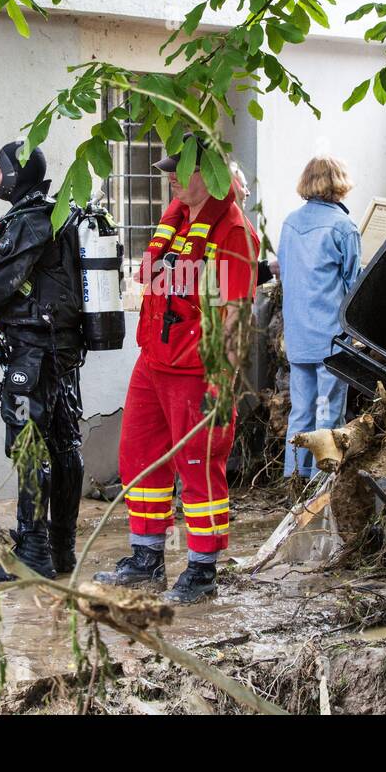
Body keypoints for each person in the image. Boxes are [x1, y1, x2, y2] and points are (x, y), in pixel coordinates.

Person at [94, 137, 259, 604]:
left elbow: (234, 316)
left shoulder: (233, 232)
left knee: (199, 465)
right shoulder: (178, 218)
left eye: (178, 169)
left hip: (197, 371)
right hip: (154, 362)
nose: (168, 176)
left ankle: (202, 570)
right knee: (138, 456)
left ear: (207, 174)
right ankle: (146, 559)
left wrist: (222, 385)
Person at [0, 141, 86, 581]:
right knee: (63, 442)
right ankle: (61, 550)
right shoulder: (58, 214)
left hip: (32, 352)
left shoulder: (29, 220)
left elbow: (2, 280)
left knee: (29, 445)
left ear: (14, 175)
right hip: (61, 351)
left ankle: (34, 552)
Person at [277, 156, 361, 477]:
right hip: (330, 339)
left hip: (298, 335)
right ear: (339, 183)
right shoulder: (343, 226)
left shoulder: (290, 223)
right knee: (327, 413)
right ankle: (321, 487)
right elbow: (355, 286)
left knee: (300, 413)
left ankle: (294, 481)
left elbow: (287, 275)